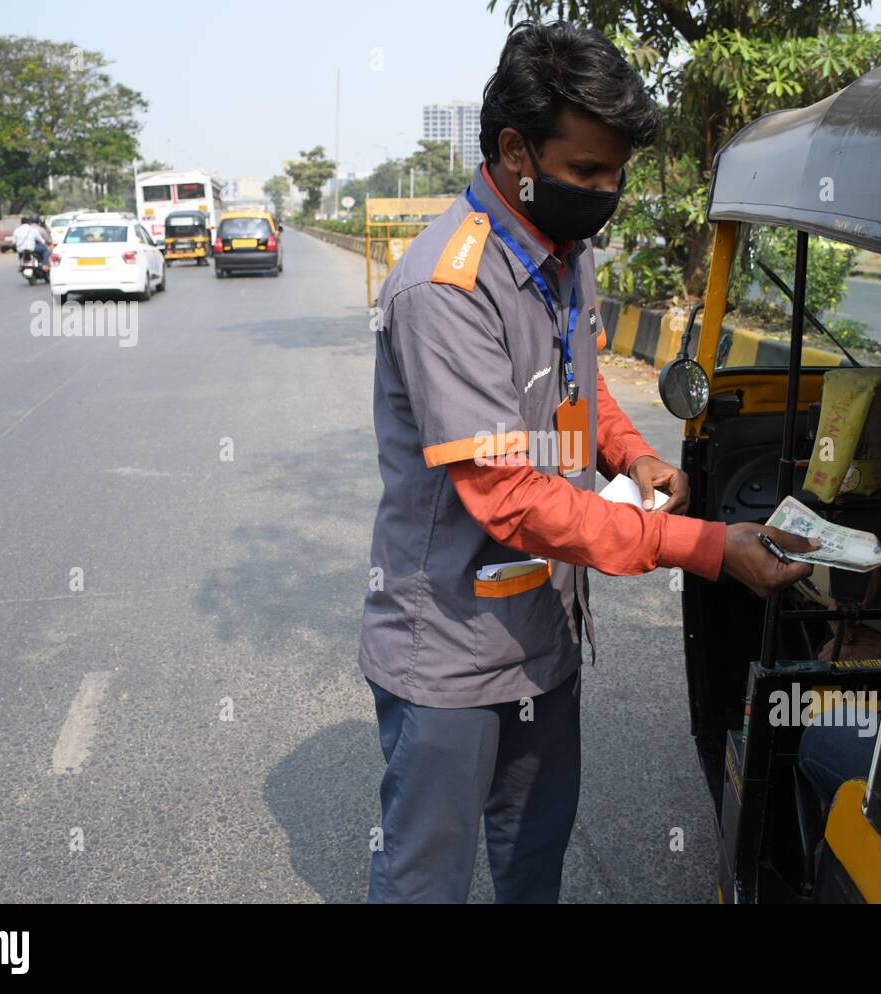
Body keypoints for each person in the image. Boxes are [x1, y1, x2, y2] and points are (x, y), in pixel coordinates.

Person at [358, 20, 818, 904]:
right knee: (425, 878)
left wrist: (633, 453)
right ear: (513, 149)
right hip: (449, 648)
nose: (607, 194)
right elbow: (510, 500)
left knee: (534, 863)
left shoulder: (566, 250)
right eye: (587, 173)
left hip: (546, 633)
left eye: (617, 174)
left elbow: (577, 378)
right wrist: (705, 546)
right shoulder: (443, 290)